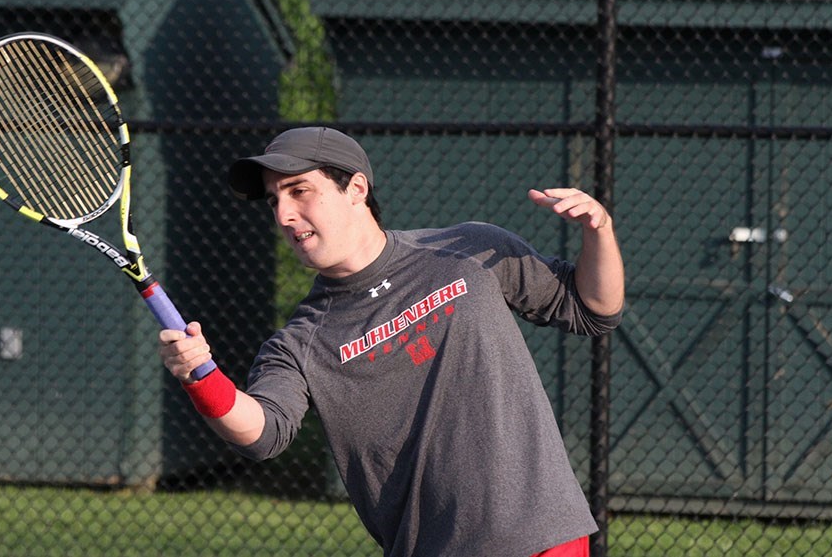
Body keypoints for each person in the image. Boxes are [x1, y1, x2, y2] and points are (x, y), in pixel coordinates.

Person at [159, 126, 624, 557]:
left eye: (299, 191)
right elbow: (263, 434)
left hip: (545, 533)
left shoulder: (469, 249)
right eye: (273, 200)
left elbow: (593, 309)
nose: (284, 214)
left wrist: (599, 230)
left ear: (356, 188)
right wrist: (201, 375)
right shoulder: (301, 341)